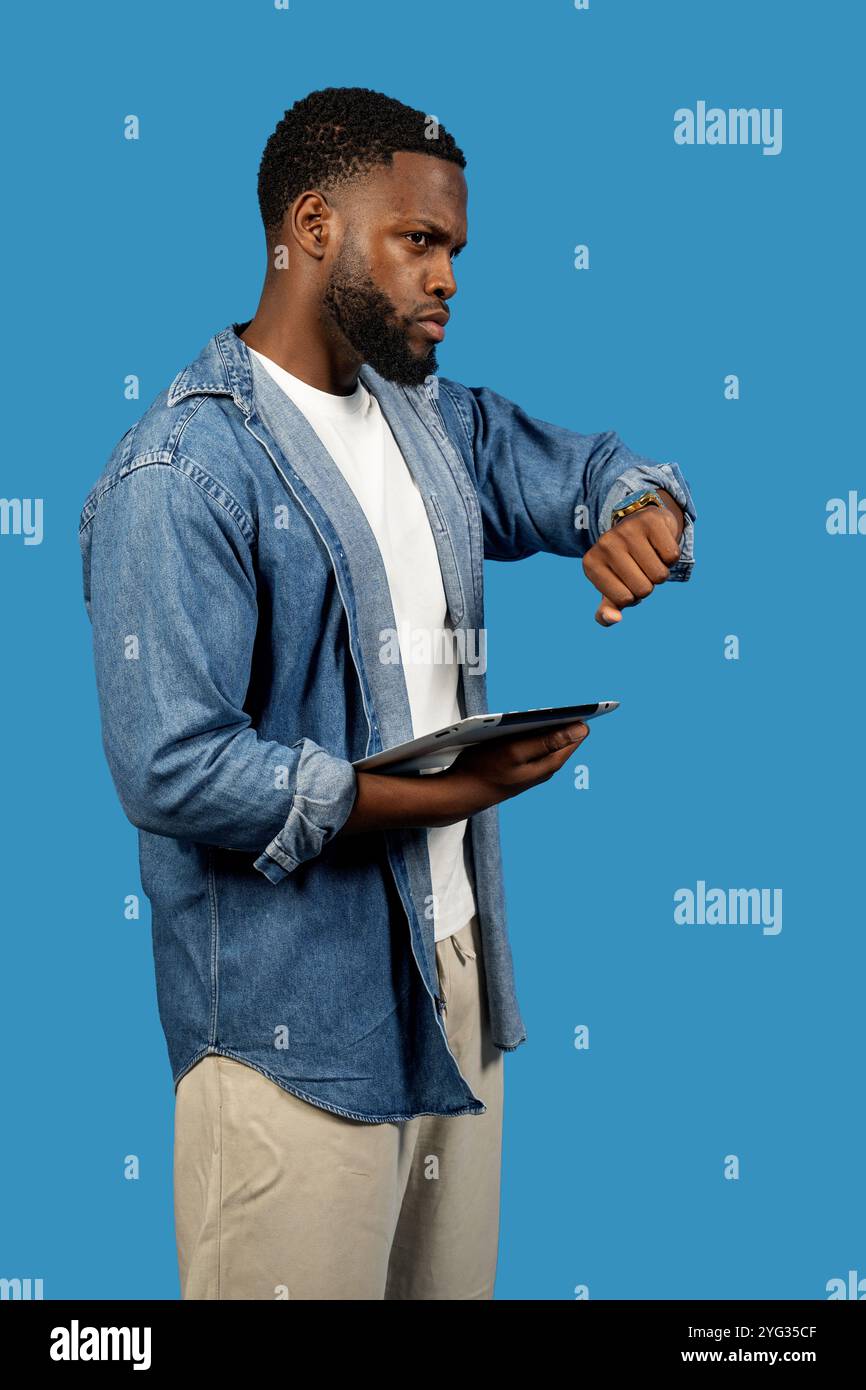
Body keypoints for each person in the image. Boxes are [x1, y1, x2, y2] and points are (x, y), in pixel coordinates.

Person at [78, 86, 697, 1300]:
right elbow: (170, 766)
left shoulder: (429, 424)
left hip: (454, 983)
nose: (446, 277)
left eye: (453, 249)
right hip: (285, 1035)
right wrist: (446, 791)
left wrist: (642, 515)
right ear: (311, 225)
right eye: (417, 241)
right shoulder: (180, 470)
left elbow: (587, 475)